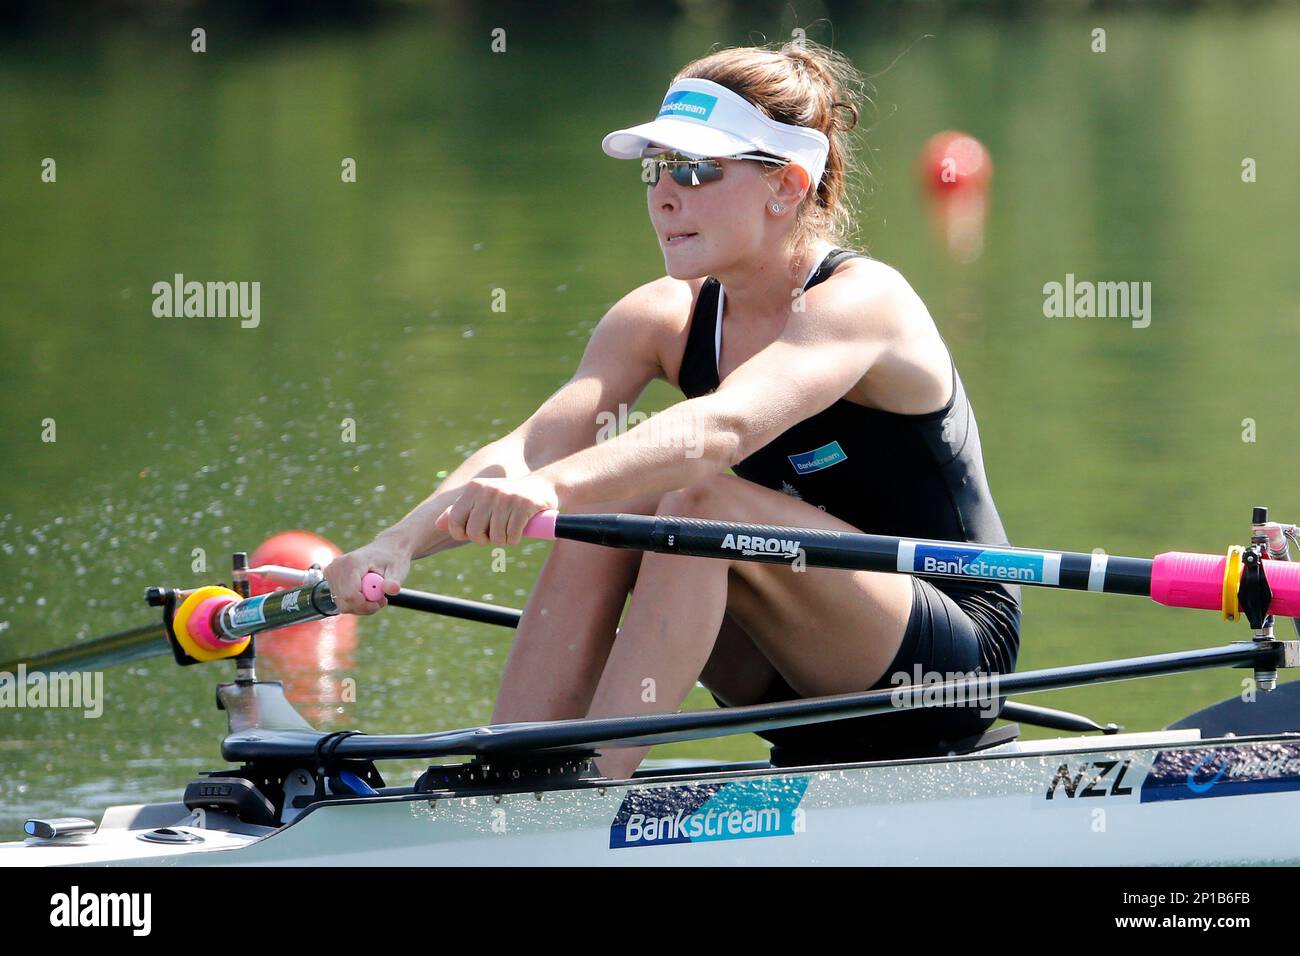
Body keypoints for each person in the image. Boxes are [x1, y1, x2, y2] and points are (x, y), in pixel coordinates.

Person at [325, 41, 1020, 780]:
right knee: (619, 493)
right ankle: (517, 765)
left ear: (785, 185)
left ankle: (591, 785)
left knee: (693, 497)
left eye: (695, 170)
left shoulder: (861, 302)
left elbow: (719, 428)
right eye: (657, 168)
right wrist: (396, 543)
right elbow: (532, 449)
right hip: (781, 654)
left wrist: (555, 488)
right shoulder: (658, 320)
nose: (664, 195)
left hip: (946, 663)